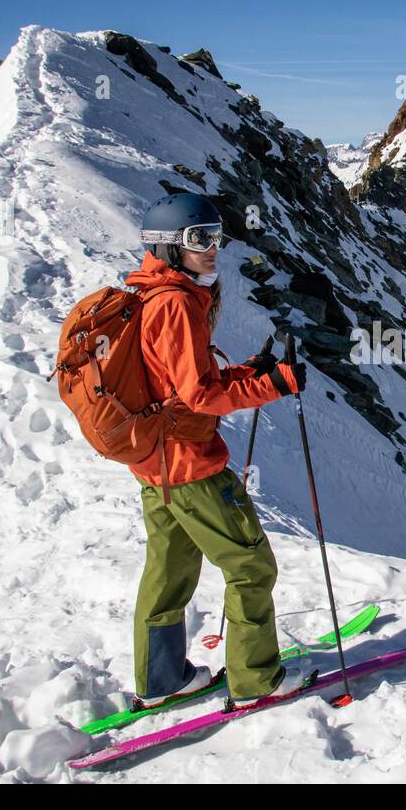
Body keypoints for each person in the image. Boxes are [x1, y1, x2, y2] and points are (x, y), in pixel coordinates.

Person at [125, 192, 307, 706]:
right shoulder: (177, 303)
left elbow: (180, 382)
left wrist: (248, 372)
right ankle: (256, 680)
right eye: (199, 239)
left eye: (216, 237)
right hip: (190, 466)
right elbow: (199, 396)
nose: (213, 249)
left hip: (154, 464)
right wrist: (278, 385)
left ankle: (161, 680)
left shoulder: (151, 294)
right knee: (250, 565)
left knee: (168, 573)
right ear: (167, 247)